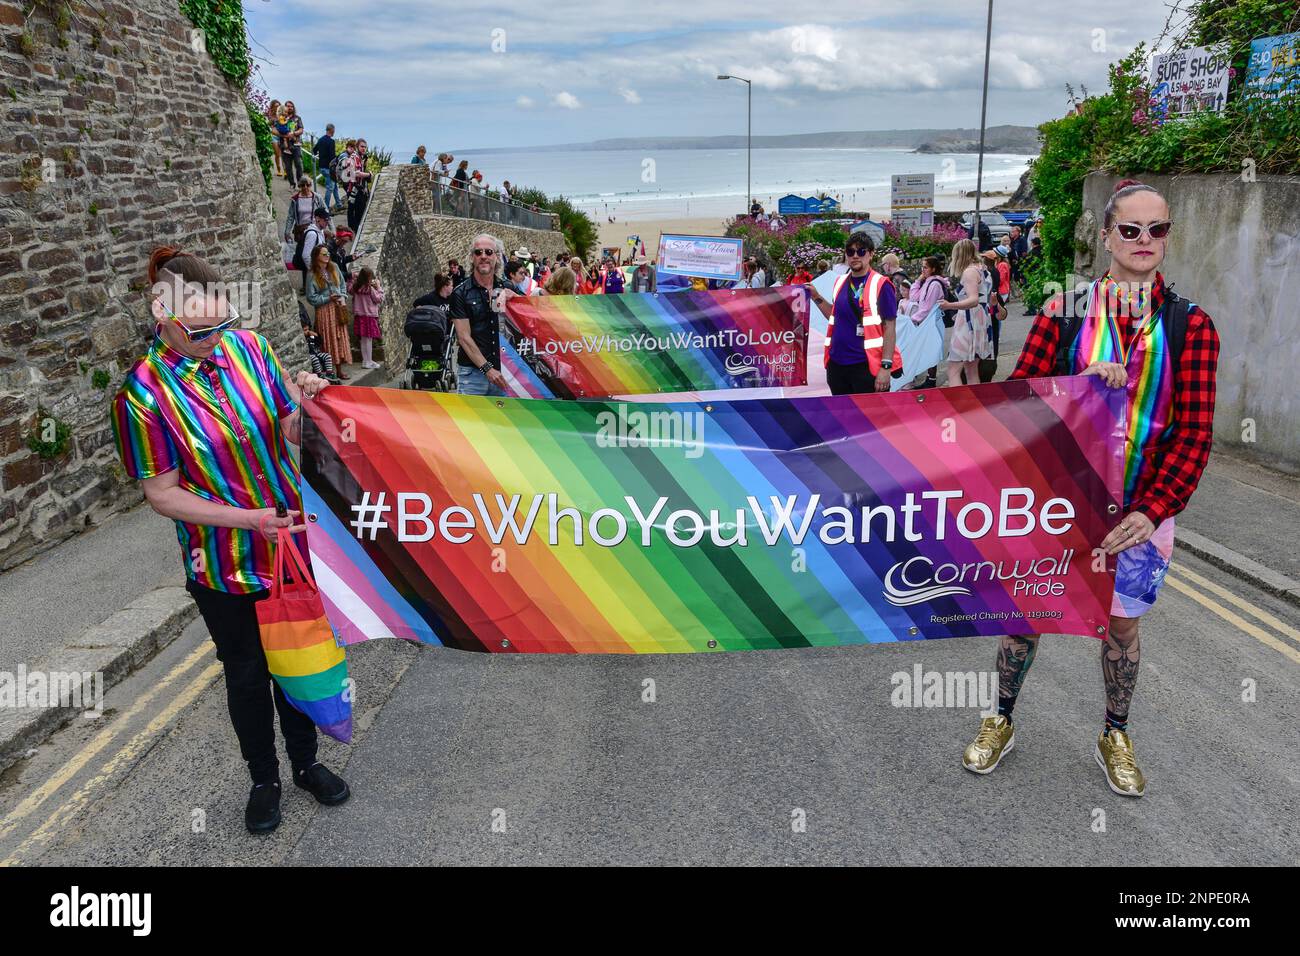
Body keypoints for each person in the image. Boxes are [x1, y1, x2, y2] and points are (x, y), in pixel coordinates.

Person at [962, 179, 1220, 799]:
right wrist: (1075, 384)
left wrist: (1152, 510)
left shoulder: (1192, 327)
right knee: (1027, 618)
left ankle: (1115, 732)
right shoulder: (1065, 312)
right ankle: (1000, 718)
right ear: (1106, 237)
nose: (1144, 241)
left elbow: (1194, 435)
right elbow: (1016, 402)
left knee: (1121, 630)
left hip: (1137, 514)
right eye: (1130, 229)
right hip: (1057, 502)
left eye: (1157, 230)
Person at [112, 247, 349, 834]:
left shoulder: (251, 348)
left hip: (290, 543)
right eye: (201, 331)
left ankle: (305, 765)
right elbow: (161, 493)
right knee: (246, 674)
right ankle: (263, 779)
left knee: (294, 659)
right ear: (160, 314)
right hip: (221, 562)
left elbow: (288, 427)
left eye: (224, 322)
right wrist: (249, 521)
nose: (217, 337)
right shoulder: (141, 396)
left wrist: (310, 403)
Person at [805, 234, 901, 395]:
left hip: (865, 366)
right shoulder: (840, 282)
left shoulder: (881, 284)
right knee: (843, 418)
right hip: (837, 366)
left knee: (869, 419)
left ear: (871, 254)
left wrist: (885, 367)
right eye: (850, 252)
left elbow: (890, 327)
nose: (855, 256)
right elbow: (834, 317)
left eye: (861, 251)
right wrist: (816, 297)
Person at [450, 234, 513, 397]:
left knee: (506, 422)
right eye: (478, 252)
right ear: (472, 258)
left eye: (488, 252)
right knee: (470, 423)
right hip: (472, 375)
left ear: (497, 257)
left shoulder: (507, 287)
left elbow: (529, 318)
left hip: (506, 373)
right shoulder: (460, 293)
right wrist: (487, 369)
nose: (483, 256)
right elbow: (463, 337)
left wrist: (517, 298)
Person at [940, 238, 993, 387]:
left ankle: (958, 405)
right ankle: (973, 405)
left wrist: (950, 305)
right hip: (980, 318)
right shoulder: (982, 269)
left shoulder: (969, 272)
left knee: (953, 369)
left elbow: (973, 300)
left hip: (969, 321)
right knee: (971, 369)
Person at [305, 245, 351, 380]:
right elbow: (311, 297)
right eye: (324, 254)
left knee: (339, 337)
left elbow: (342, 284)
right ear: (317, 256)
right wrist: (326, 298)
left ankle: (340, 368)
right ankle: (330, 371)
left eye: (328, 254)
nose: (327, 256)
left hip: (338, 308)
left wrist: (342, 296)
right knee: (328, 338)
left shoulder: (334, 267)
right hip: (324, 311)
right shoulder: (312, 274)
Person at [910, 255, 950, 388]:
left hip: (932, 321)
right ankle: (930, 378)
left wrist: (913, 319)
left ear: (933, 269)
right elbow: (914, 297)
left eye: (925, 267)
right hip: (927, 320)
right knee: (928, 348)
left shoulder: (934, 285)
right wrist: (918, 280)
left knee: (931, 349)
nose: (923, 270)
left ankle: (931, 379)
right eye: (922, 267)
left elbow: (927, 307)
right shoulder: (928, 282)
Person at [348, 266, 385, 369]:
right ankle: (368, 361)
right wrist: (379, 287)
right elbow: (379, 299)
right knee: (368, 340)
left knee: (363, 340)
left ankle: (366, 360)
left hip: (360, 316)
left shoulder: (356, 287)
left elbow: (349, 289)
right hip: (369, 316)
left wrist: (352, 279)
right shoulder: (370, 289)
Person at [313, 124, 341, 215]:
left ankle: (339, 203)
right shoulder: (331, 142)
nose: (334, 132)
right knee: (330, 187)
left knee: (334, 185)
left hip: (322, 167)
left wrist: (321, 155)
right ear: (331, 130)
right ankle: (325, 207)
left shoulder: (321, 140)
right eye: (334, 130)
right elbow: (332, 156)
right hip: (329, 169)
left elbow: (314, 150)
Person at [280, 101, 304, 185]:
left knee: (299, 165)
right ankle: (292, 184)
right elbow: (275, 130)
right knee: (288, 167)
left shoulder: (297, 118)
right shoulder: (281, 118)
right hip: (285, 145)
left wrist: (293, 133)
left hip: (296, 145)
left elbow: (301, 130)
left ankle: (300, 184)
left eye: (291, 106)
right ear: (285, 107)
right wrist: (285, 135)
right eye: (288, 106)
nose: (290, 108)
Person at [266, 100, 284, 178]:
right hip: (274, 136)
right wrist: (272, 128)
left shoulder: (283, 115)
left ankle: (286, 170)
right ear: (272, 107)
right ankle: (279, 169)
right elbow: (268, 126)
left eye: (278, 105)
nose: (277, 107)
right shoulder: (271, 116)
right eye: (275, 106)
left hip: (282, 136)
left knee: (283, 154)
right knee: (277, 154)